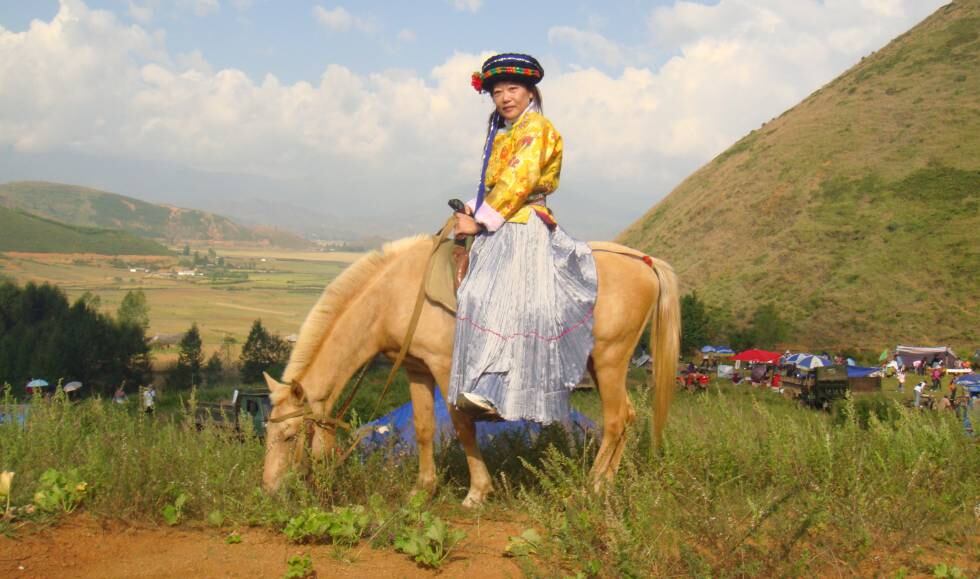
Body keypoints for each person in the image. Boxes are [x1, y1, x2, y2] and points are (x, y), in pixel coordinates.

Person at [449, 53, 597, 423]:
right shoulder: (504, 134)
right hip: (502, 220)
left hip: (523, 223)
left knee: (495, 297)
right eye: (497, 92)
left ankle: (500, 391)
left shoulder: (537, 129)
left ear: (530, 91)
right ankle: (486, 387)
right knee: (471, 292)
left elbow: (520, 181)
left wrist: (479, 223)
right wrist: (472, 208)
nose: (504, 97)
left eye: (512, 88)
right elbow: (496, 186)